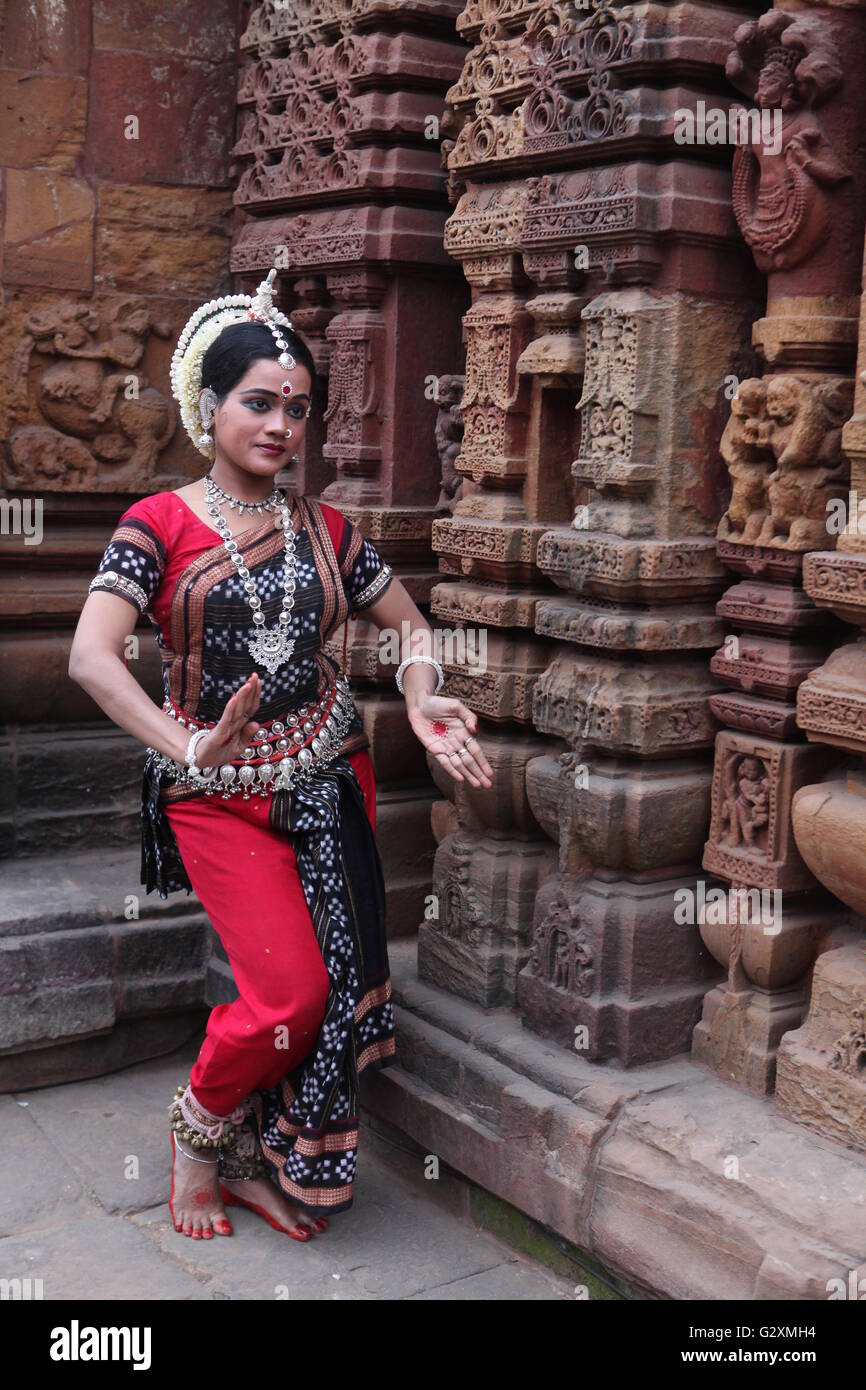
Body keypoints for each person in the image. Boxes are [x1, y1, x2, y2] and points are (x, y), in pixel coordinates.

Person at [68, 269, 493, 1243]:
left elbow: (413, 630)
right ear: (209, 405)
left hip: (323, 780)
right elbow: (91, 656)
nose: (279, 424)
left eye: (296, 408)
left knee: (325, 994)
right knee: (287, 998)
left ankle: (270, 1150)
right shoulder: (158, 526)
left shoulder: (328, 534)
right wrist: (187, 744)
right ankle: (199, 1130)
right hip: (214, 796)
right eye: (259, 401)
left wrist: (425, 699)